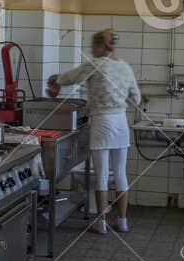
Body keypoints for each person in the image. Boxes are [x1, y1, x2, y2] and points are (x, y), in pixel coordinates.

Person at [47, 28, 141, 234]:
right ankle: (122, 221)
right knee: (120, 173)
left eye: (93, 45)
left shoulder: (95, 65)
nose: (91, 49)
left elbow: (70, 77)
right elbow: (137, 98)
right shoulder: (124, 67)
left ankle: (101, 223)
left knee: (101, 174)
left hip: (101, 122)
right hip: (121, 123)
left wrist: (55, 79)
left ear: (101, 45)